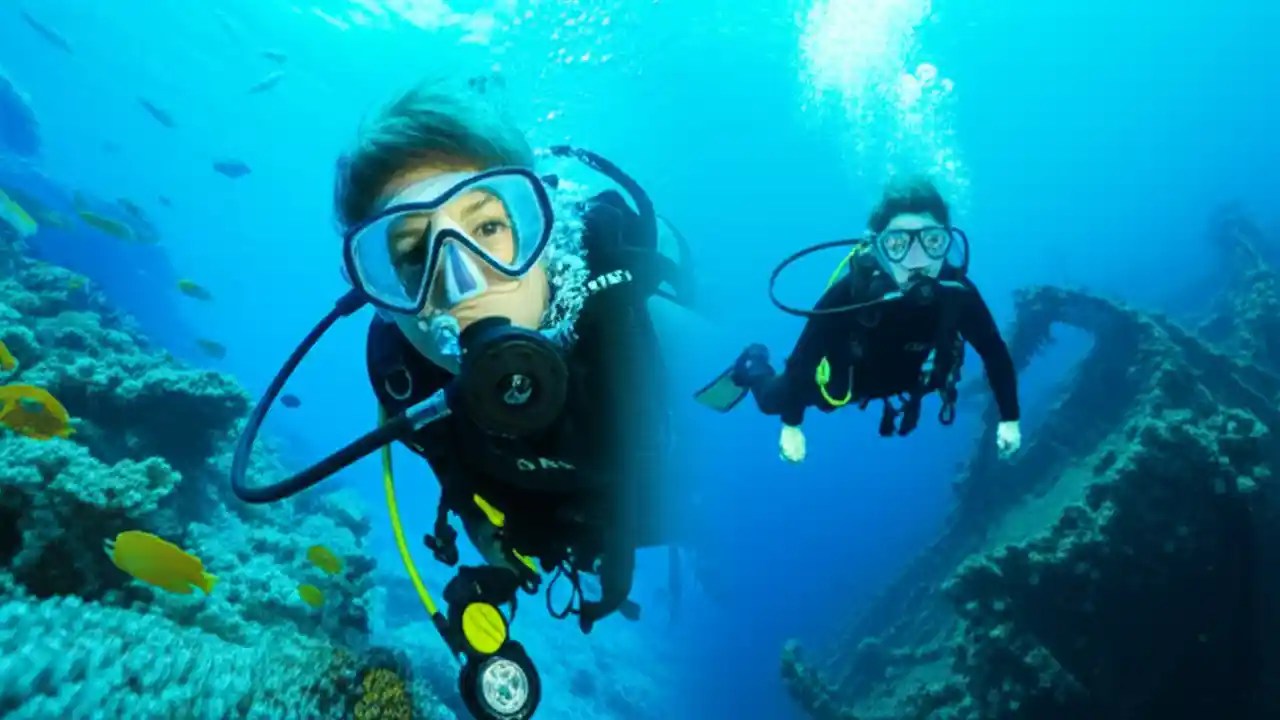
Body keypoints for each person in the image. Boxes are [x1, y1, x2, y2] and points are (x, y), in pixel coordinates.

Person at [230, 77, 695, 720]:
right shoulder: (401, 372)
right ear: (380, 290)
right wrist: (493, 550)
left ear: (542, 228)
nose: (463, 281)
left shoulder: (637, 316)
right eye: (415, 252)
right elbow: (455, 476)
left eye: (489, 225)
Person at [696, 176, 1021, 464]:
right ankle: (752, 363)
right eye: (898, 244)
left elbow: (993, 350)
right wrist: (792, 425)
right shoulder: (850, 295)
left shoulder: (957, 293)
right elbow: (803, 361)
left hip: (912, 378)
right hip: (847, 381)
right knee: (770, 402)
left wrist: (1010, 418)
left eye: (932, 241)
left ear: (947, 241)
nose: (918, 260)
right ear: (878, 248)